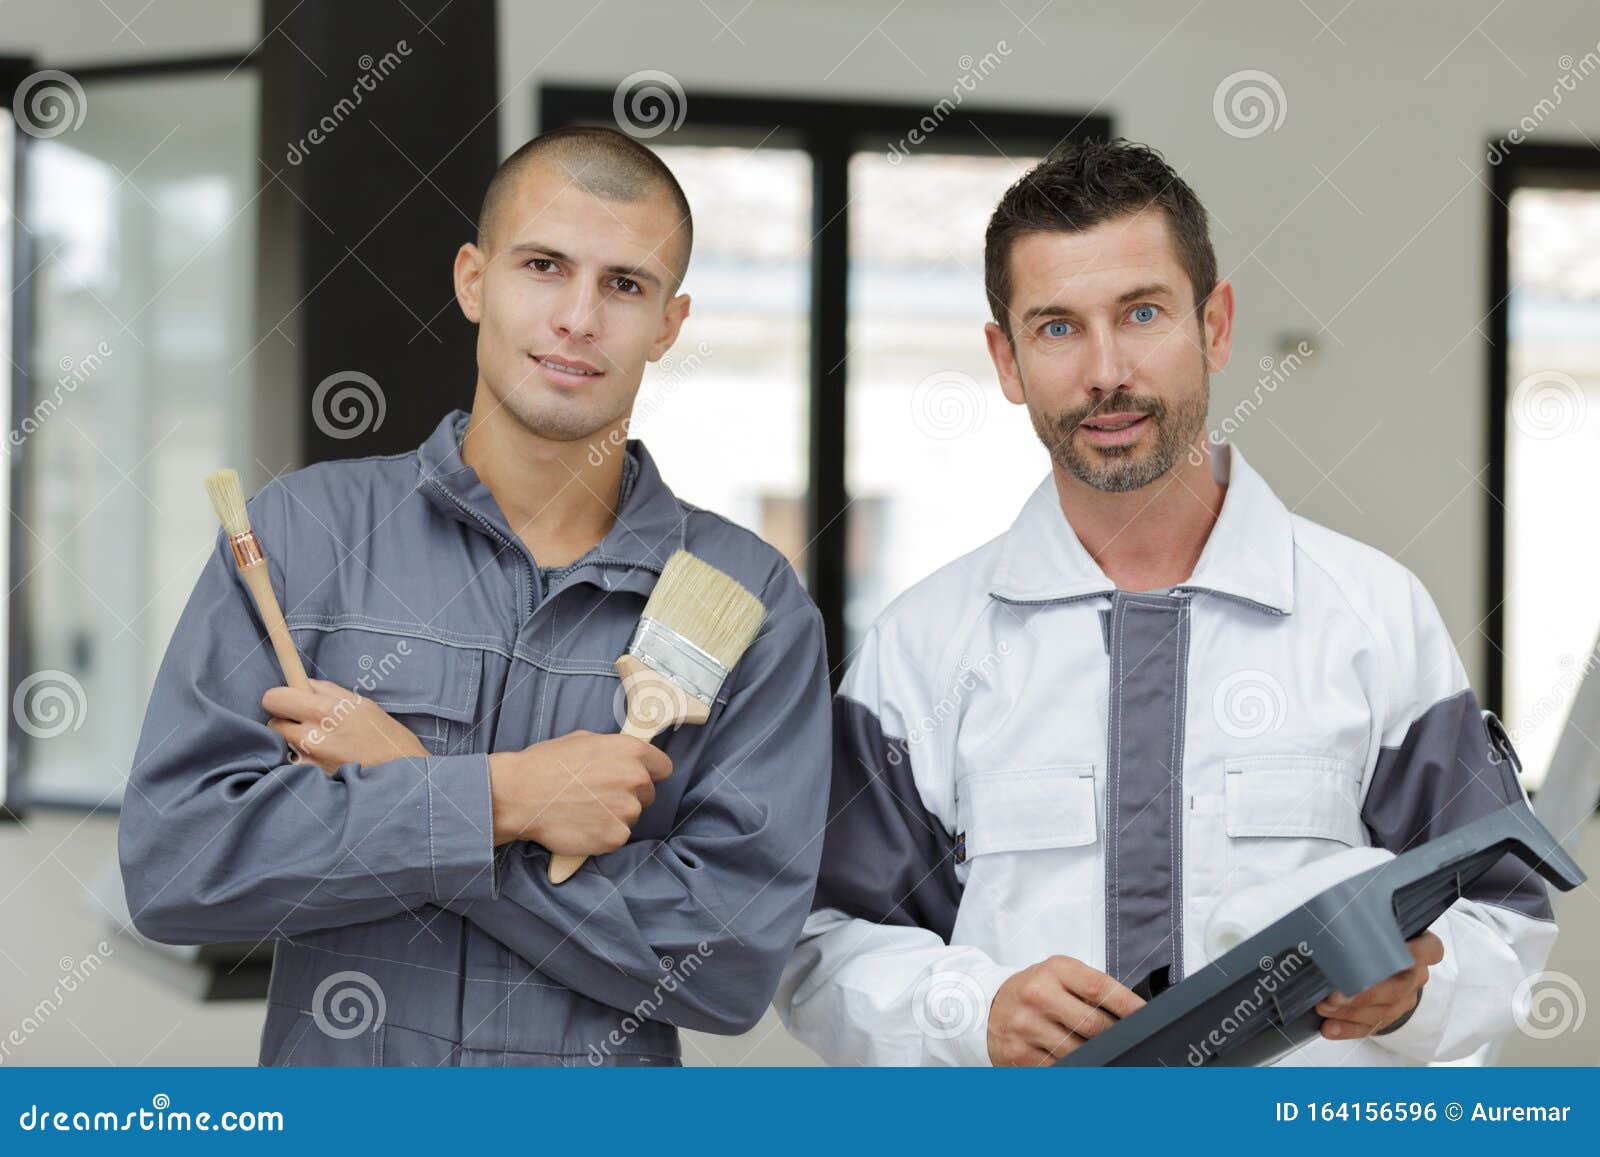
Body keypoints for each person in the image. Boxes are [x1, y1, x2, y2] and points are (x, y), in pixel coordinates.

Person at [774, 137, 1556, 1067]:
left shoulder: (1376, 616)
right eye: (1056, 328)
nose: (1106, 370)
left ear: (1215, 326)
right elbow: (822, 944)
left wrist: (1413, 993)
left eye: (1141, 313)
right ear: (1006, 360)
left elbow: (1502, 918)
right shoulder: (923, 646)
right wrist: (970, 1012)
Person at [120, 125, 831, 1066]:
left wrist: (420, 788)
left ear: (669, 323)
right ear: (473, 280)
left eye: (625, 284)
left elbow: (727, 966)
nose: (578, 317)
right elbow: (177, 868)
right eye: (544, 266)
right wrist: (503, 797)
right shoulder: (302, 535)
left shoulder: (753, 600)